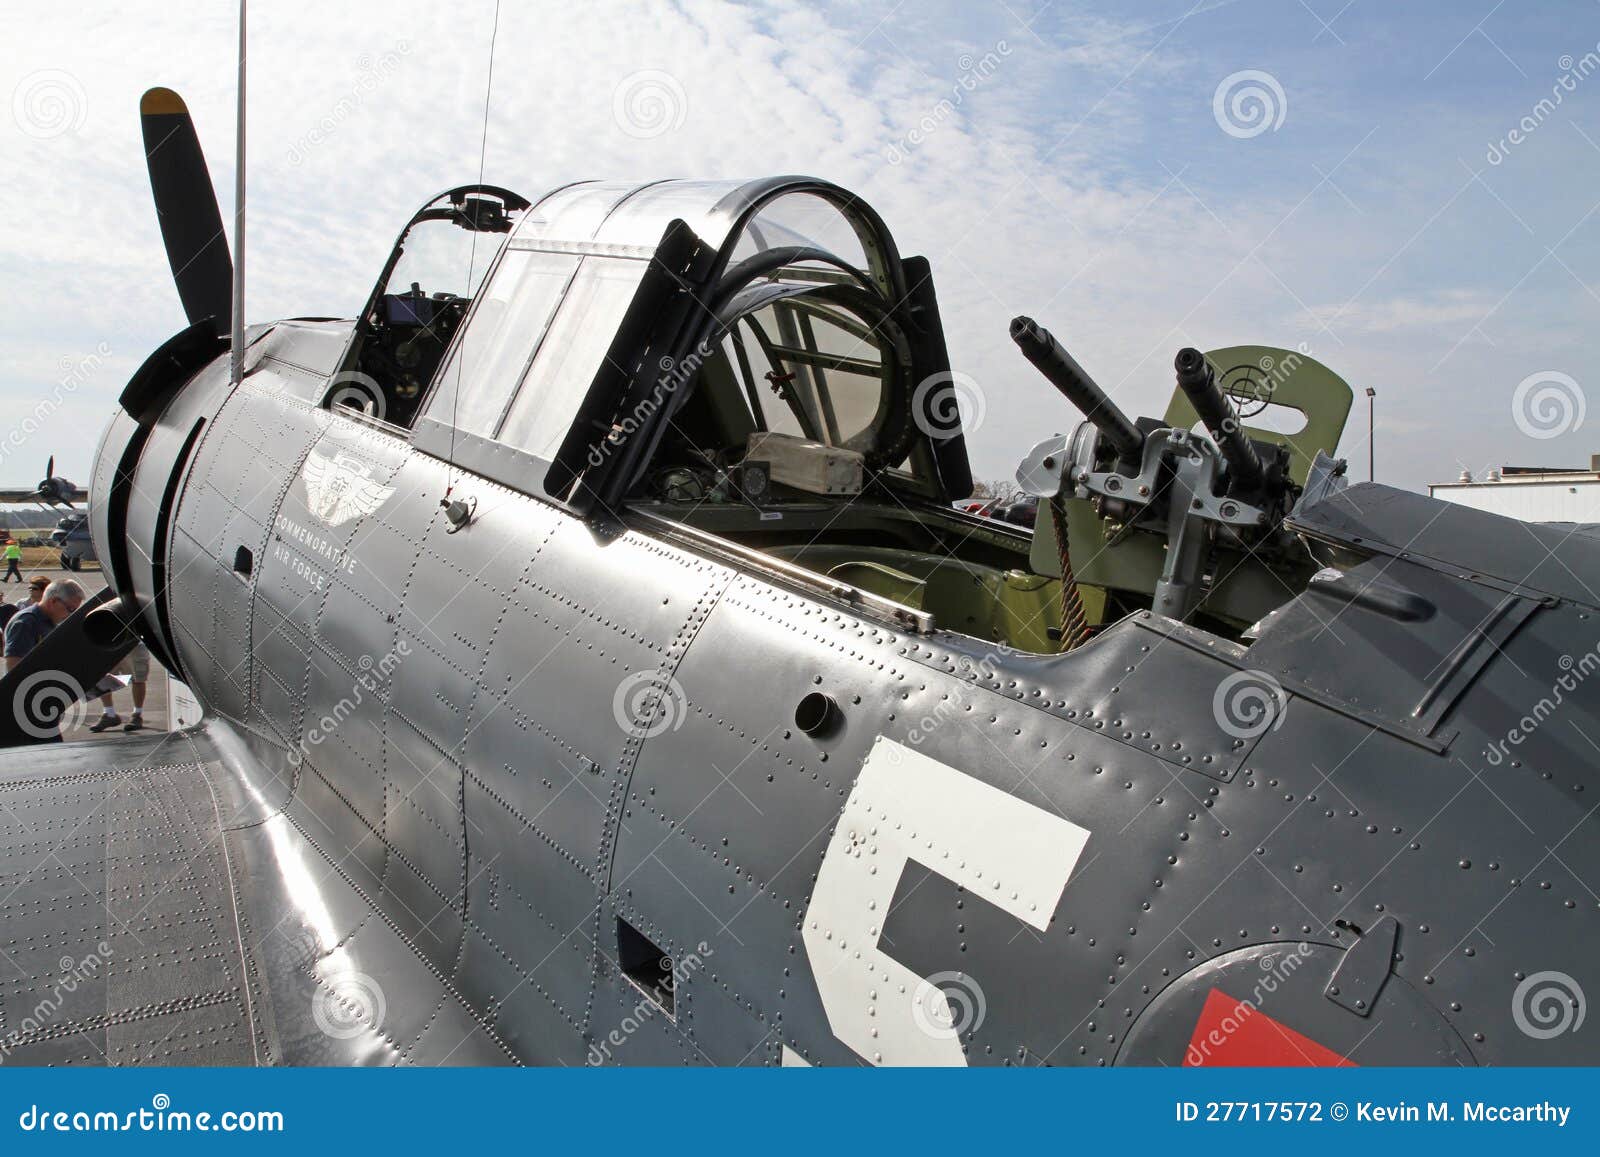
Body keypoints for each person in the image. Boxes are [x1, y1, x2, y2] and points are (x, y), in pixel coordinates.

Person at [4, 578, 86, 670]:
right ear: (53, 601)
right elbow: (14, 666)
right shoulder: (26, 622)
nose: (70, 615)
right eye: (70, 609)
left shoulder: (50, 622)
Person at [92, 643, 151, 732]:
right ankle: (109, 714)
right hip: (108, 641)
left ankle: (137, 715)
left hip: (134, 641)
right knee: (103, 675)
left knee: (138, 678)